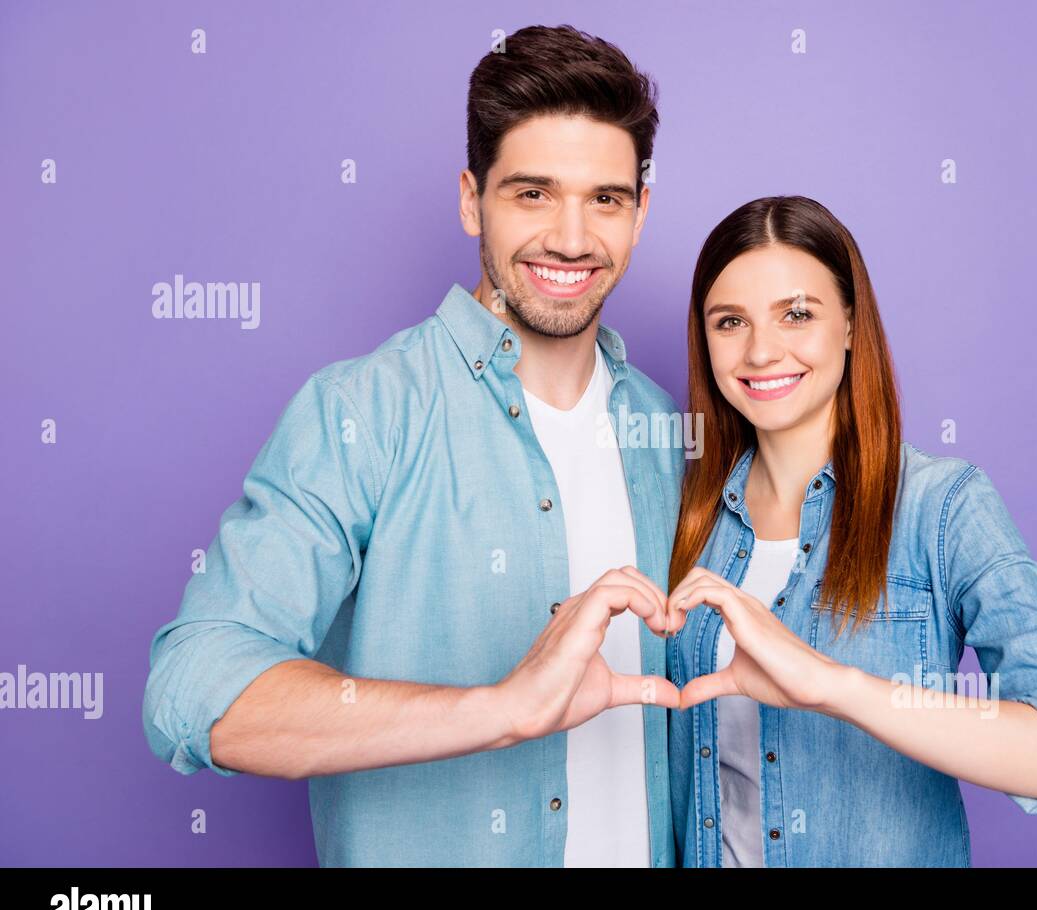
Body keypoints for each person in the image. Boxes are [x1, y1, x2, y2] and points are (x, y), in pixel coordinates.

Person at [142, 24, 686, 867]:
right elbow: (192, 686)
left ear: (641, 211)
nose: (573, 238)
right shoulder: (360, 414)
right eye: (532, 193)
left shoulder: (669, 435)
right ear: (472, 199)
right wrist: (500, 708)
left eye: (605, 199)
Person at [662, 195, 1037, 866]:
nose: (762, 350)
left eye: (796, 314)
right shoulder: (686, 519)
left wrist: (836, 685)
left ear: (851, 324)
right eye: (730, 321)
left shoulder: (942, 507)